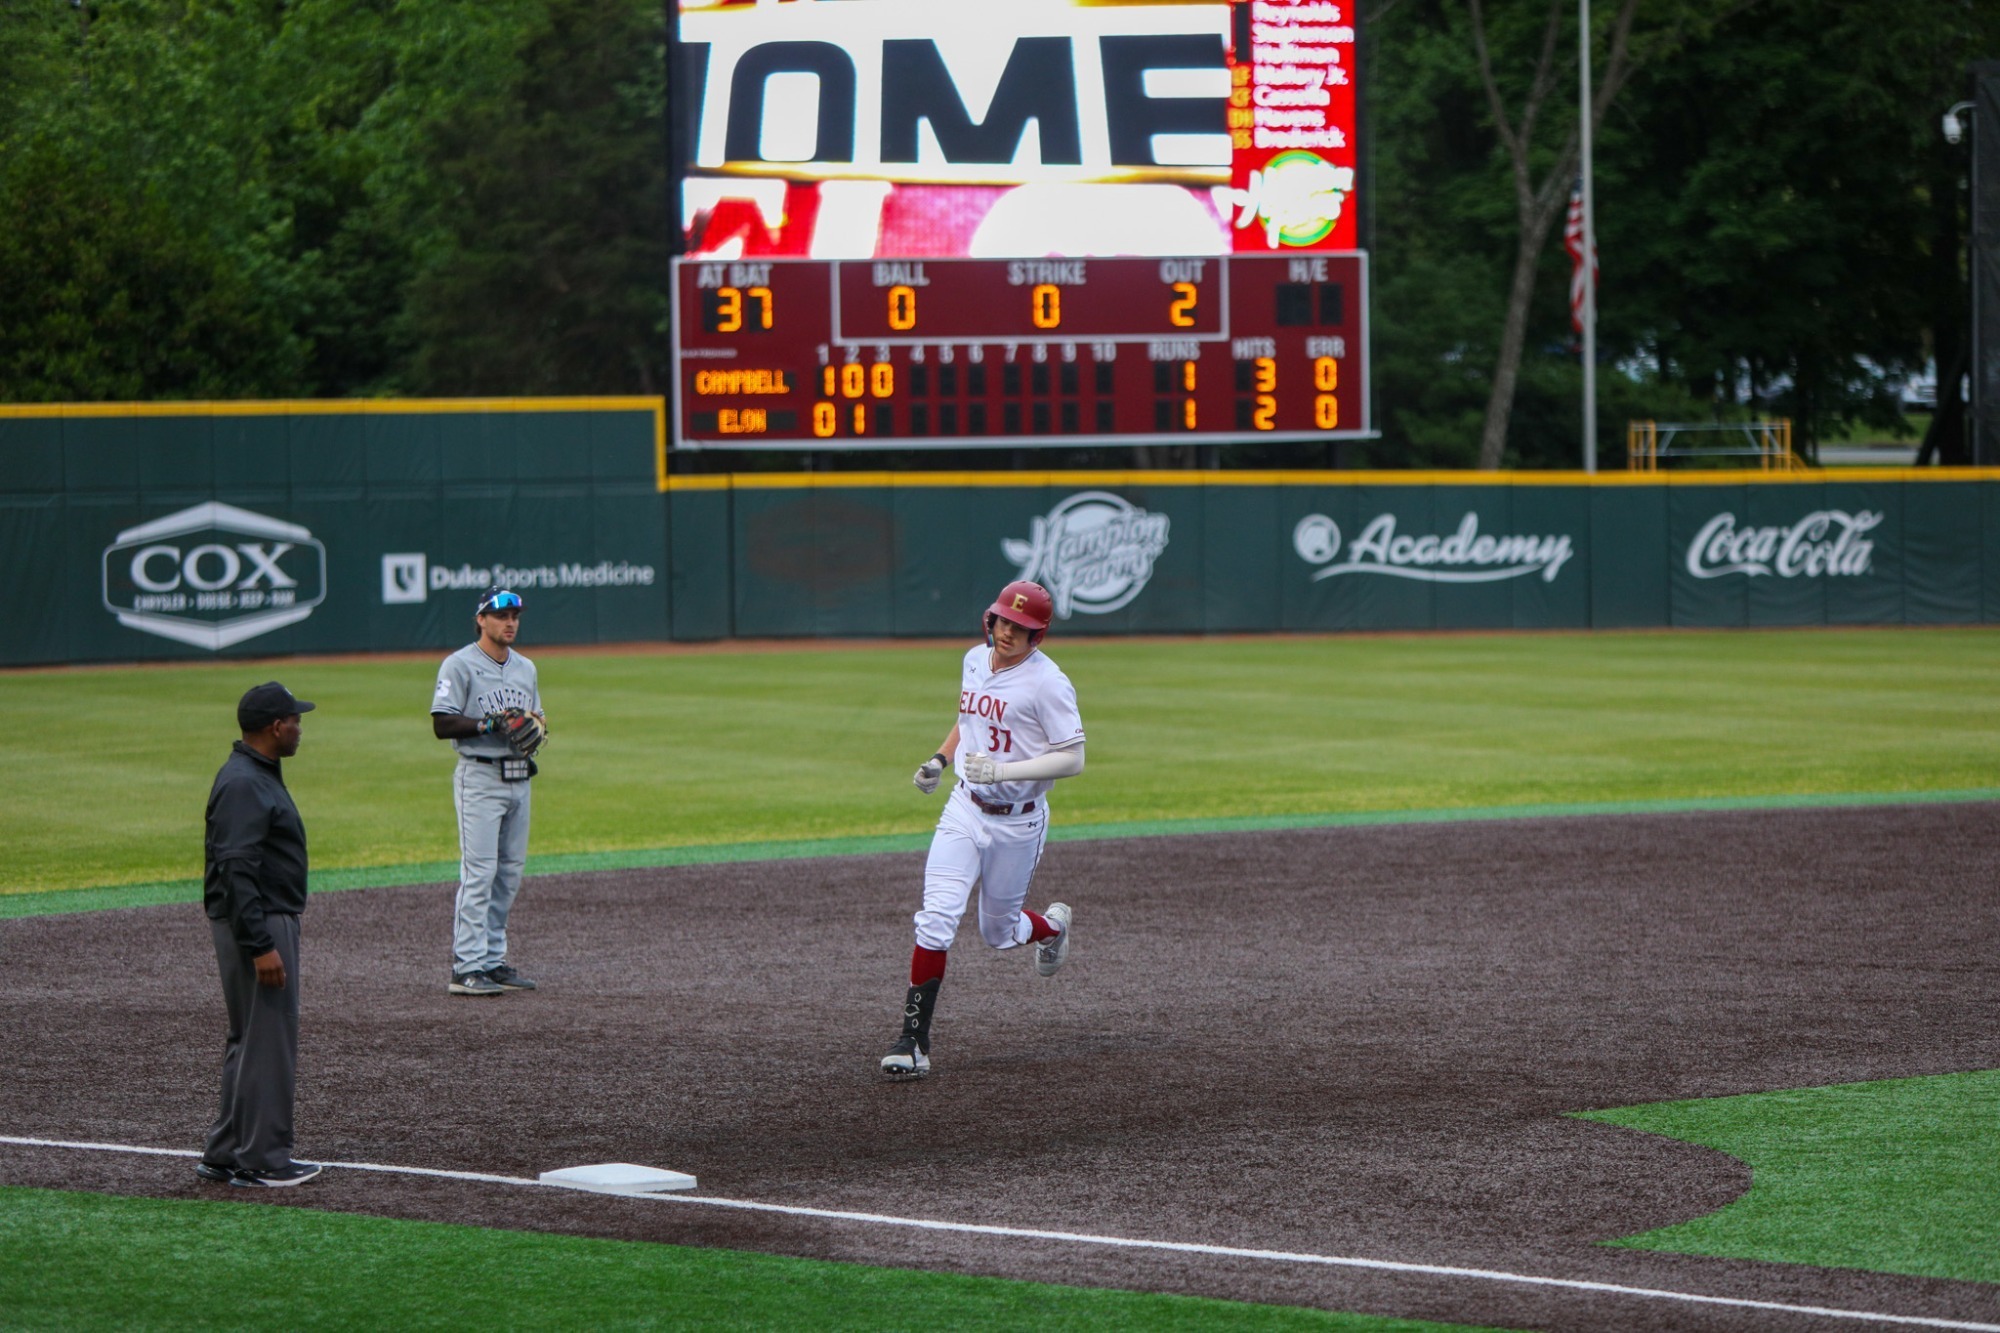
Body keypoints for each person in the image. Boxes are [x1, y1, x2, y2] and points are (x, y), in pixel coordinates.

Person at [883, 579, 1086, 1080]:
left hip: (1018, 823)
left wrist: (1005, 772)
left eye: (1022, 627)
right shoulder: (975, 659)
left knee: (998, 933)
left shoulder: (1048, 683)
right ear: (989, 619)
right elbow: (967, 715)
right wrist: (939, 758)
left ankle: (1053, 927)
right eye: (1003, 621)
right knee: (936, 918)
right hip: (964, 809)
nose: (1008, 631)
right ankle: (913, 1042)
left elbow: (1074, 758)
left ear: (1037, 636)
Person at [199, 681, 322, 1187]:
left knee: (248, 1039)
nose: (299, 726)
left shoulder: (253, 773)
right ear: (276, 727)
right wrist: (261, 945)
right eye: (294, 719)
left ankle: (227, 1151)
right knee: (268, 1039)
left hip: (256, 920)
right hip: (259, 922)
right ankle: (264, 1159)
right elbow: (235, 867)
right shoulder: (246, 782)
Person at [432, 587, 546, 996]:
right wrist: (488, 724)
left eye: (515, 615)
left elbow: (536, 718)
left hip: (519, 778)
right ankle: (466, 967)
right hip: (478, 778)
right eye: (501, 616)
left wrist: (536, 728)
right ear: (481, 619)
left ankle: (493, 960)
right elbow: (441, 723)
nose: (510, 622)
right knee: (480, 872)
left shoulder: (526, 668)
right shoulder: (459, 665)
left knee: (510, 872)